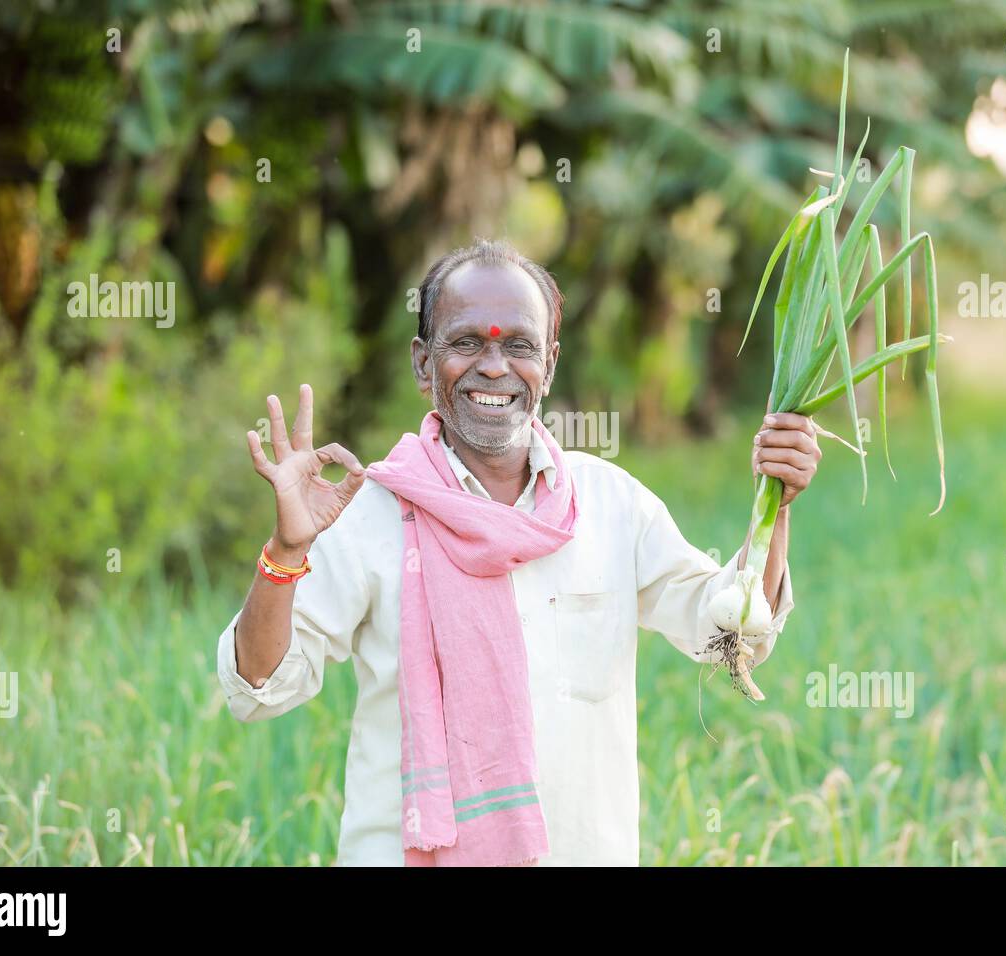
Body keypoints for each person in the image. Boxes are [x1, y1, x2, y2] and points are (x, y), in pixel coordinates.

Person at [215, 238, 822, 866]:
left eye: (519, 346)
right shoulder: (372, 515)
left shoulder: (611, 505)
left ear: (550, 364)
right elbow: (258, 688)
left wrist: (776, 504)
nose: (496, 366)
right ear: (424, 364)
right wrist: (286, 549)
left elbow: (730, 631)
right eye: (468, 342)